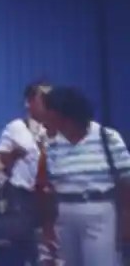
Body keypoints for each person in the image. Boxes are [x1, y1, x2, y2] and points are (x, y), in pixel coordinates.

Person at [36, 85, 130, 266]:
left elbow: (126, 182)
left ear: (63, 114)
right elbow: (45, 188)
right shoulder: (52, 145)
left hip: (99, 210)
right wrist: (48, 228)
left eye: (49, 111)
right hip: (64, 215)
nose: (45, 117)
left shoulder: (107, 138)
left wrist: (126, 220)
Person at [0, 80, 50, 263]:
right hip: (24, 196)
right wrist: (16, 154)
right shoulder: (16, 127)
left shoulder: (56, 127)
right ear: (29, 102)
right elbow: (0, 160)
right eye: (43, 99)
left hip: (51, 196)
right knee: (27, 247)